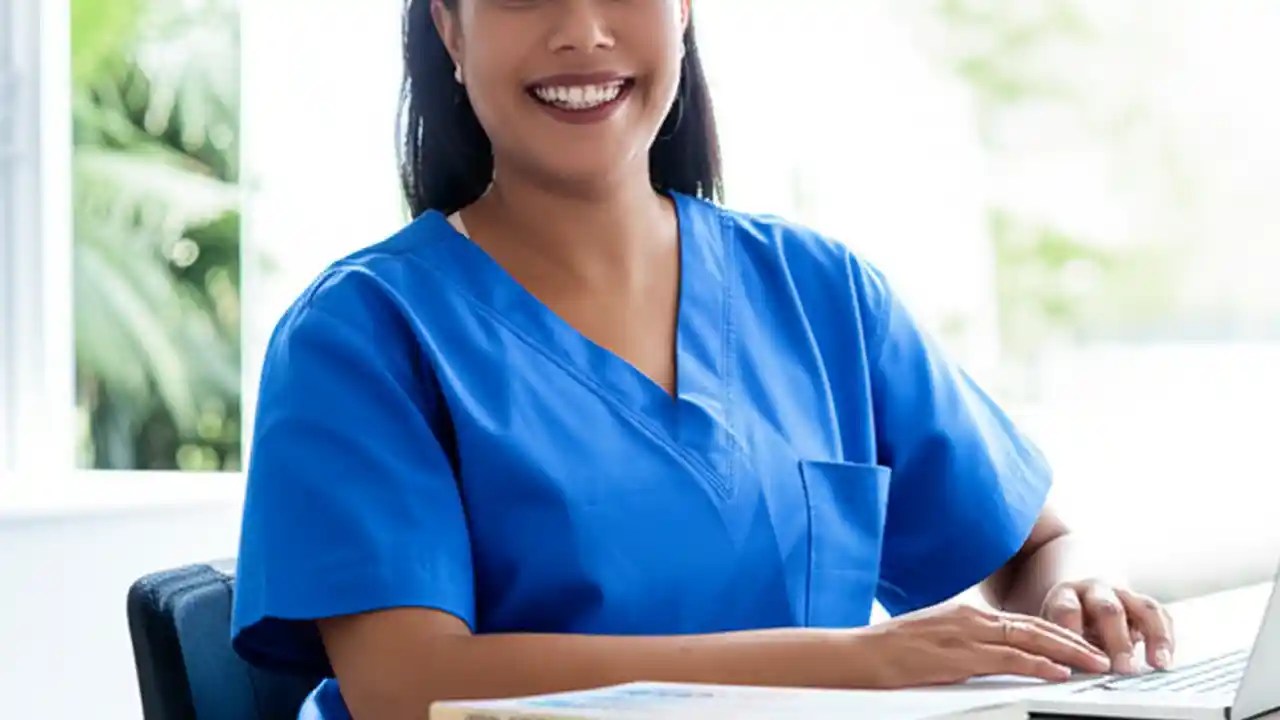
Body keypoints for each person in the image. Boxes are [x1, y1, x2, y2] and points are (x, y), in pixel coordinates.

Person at [230, 1, 1176, 718]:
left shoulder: (820, 290)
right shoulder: (359, 333)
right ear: (449, 27)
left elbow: (1037, 540)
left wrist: (1075, 595)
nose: (582, 32)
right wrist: (854, 660)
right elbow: (412, 689)